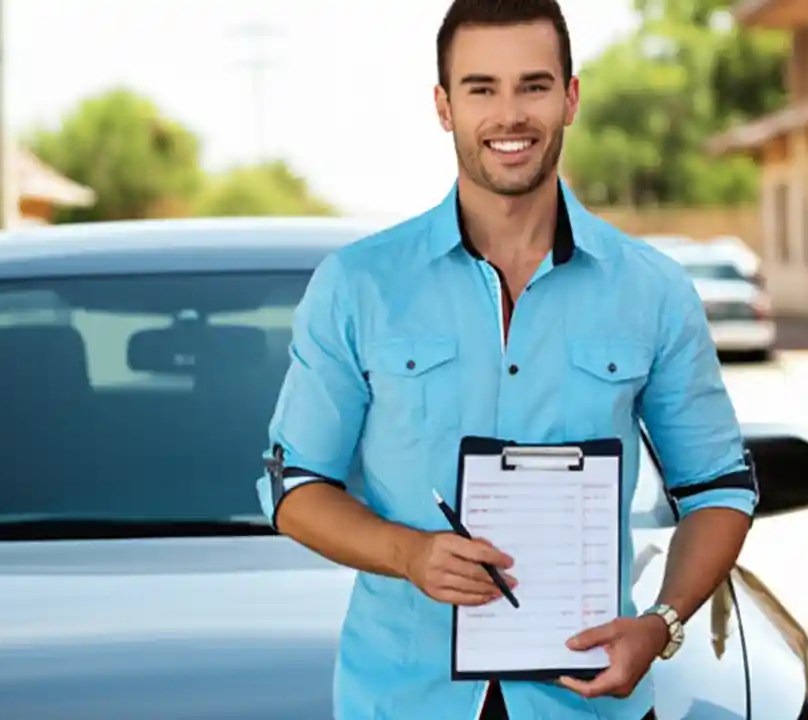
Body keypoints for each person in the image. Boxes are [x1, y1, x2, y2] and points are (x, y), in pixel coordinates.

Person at [254, 1, 757, 718]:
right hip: (402, 701)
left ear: (570, 97)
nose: (510, 115)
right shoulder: (358, 286)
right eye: (481, 88)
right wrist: (409, 554)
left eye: (534, 86)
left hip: (589, 706)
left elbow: (719, 488)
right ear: (444, 106)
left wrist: (662, 624)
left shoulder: (653, 290)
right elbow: (296, 487)